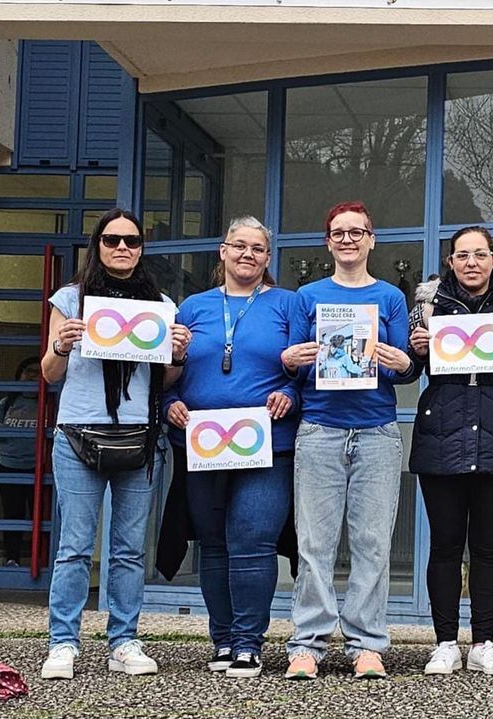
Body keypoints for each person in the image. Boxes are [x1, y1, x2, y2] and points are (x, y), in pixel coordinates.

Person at [39, 208, 192, 680]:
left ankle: (123, 640)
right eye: (112, 240)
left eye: (131, 240)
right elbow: (49, 373)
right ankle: (63, 643)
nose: (122, 248)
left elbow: (165, 379)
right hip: (78, 434)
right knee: (74, 548)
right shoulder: (69, 298)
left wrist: (177, 355)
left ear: (142, 247)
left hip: (139, 437)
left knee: (128, 550)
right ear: (97, 245)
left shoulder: (160, 302)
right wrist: (62, 345)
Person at [279, 201, 416, 680]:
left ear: (371, 240)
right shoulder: (308, 296)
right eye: (338, 233)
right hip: (319, 429)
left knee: (372, 544)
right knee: (314, 544)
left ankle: (366, 645)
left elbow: (406, 367)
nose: (348, 240)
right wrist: (291, 358)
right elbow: (291, 367)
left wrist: (401, 363)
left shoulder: (391, 298)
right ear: (328, 242)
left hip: (377, 431)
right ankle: (307, 645)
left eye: (357, 232)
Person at [160, 217, 298, 679]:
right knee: (215, 545)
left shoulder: (288, 305)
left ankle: (248, 644)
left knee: (253, 541)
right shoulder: (193, 307)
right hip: (201, 444)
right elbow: (168, 369)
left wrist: (291, 396)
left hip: (267, 445)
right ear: (222, 251)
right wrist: (170, 403)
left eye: (258, 248)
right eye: (239, 246)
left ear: (267, 257)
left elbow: (307, 369)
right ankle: (221, 641)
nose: (248, 255)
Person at [406, 226, 493, 676]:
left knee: (488, 547)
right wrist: (418, 349)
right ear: (450, 262)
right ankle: (445, 642)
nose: (471, 263)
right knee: (445, 546)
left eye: (480, 254)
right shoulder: (425, 309)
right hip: (441, 433)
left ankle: (484, 641)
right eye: (462, 255)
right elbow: (410, 369)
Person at [0, 356, 41, 568]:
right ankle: (12, 558)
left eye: (38, 372)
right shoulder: (7, 401)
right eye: (28, 372)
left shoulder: (49, 401)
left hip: (38, 468)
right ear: (19, 374)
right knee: (12, 513)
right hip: (7, 466)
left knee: (39, 515)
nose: (32, 377)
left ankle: (39, 561)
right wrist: (3, 430)